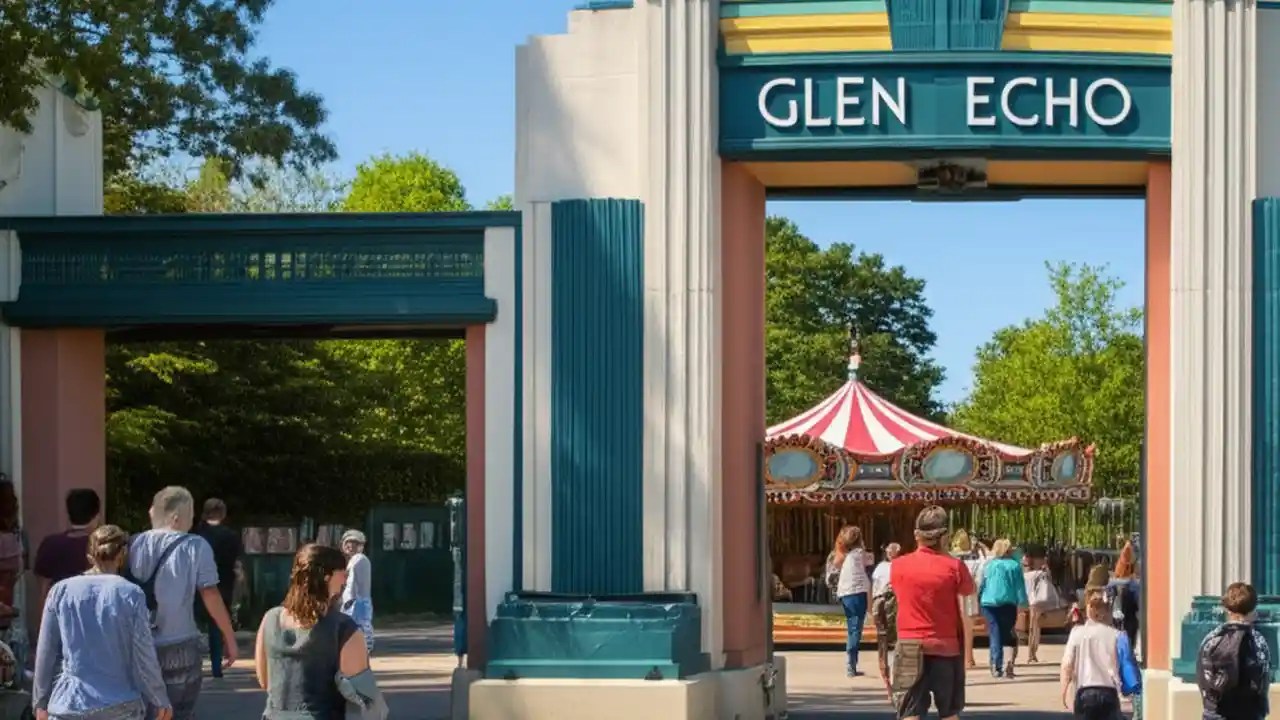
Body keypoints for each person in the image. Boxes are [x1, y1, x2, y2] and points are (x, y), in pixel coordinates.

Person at [33, 525, 173, 720]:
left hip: (69, 704)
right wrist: (159, 698)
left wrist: (40, 702)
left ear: (90, 556)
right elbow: (144, 655)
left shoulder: (60, 591)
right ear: (122, 555)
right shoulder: (130, 593)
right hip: (120, 703)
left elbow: (46, 652)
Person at [127, 487, 238, 719]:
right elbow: (210, 595)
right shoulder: (195, 546)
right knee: (179, 713)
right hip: (180, 645)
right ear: (176, 517)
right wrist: (229, 637)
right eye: (190, 515)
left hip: (138, 645)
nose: (192, 521)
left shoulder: (132, 544)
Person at [256, 544, 379, 719]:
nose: (346, 578)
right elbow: (366, 697)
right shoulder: (343, 629)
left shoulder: (270, 619)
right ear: (327, 577)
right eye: (343, 572)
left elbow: (265, 681)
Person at [888, 506, 974, 720]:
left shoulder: (898, 566)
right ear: (944, 537)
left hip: (908, 645)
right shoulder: (954, 567)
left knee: (910, 711)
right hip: (946, 649)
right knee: (949, 713)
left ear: (917, 535)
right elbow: (969, 594)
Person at [1197, 582, 1270, 720]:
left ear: (1227, 610)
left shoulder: (1211, 640)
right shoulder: (1258, 641)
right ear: (1253, 611)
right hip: (1249, 714)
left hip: (1216, 713)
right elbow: (1263, 683)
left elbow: (1203, 680)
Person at [194, 498, 243, 679]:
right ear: (222, 514)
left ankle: (195, 664)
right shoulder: (231, 535)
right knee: (216, 626)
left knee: (195, 625)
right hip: (223, 584)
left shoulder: (196, 535)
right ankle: (216, 667)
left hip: (197, 584)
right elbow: (237, 563)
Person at [34, 489, 101, 616]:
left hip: (59, 617)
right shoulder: (101, 547)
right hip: (93, 619)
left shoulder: (50, 544)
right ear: (97, 515)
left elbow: (43, 592)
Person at [1059, 589, 1125, 719]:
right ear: (1106, 612)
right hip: (1109, 692)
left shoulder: (1077, 633)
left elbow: (1067, 664)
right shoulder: (1116, 635)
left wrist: (1064, 690)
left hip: (1084, 692)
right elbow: (1122, 665)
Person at [979, 539, 1027, 679]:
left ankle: (995, 663)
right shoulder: (1014, 566)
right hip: (1008, 603)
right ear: (1007, 550)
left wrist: (980, 598)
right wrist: (1023, 603)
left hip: (988, 602)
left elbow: (982, 582)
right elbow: (1019, 586)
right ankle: (1004, 663)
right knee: (1005, 633)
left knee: (995, 632)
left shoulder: (990, 565)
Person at [833, 525, 870, 677]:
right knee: (856, 628)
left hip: (845, 592)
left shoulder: (844, 556)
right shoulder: (861, 554)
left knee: (851, 627)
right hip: (857, 592)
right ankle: (851, 664)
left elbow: (836, 563)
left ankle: (852, 663)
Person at [340, 530, 375, 654]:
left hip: (355, 600)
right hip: (360, 599)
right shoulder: (357, 559)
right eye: (348, 542)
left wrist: (348, 600)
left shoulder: (357, 559)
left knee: (358, 625)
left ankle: (363, 649)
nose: (350, 546)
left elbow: (352, 582)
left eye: (354, 543)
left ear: (361, 546)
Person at [1106, 542, 1141, 649]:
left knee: (1127, 623)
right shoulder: (1132, 564)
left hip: (1124, 602)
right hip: (1128, 601)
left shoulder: (1126, 565)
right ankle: (1129, 646)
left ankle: (1127, 646)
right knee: (1129, 622)